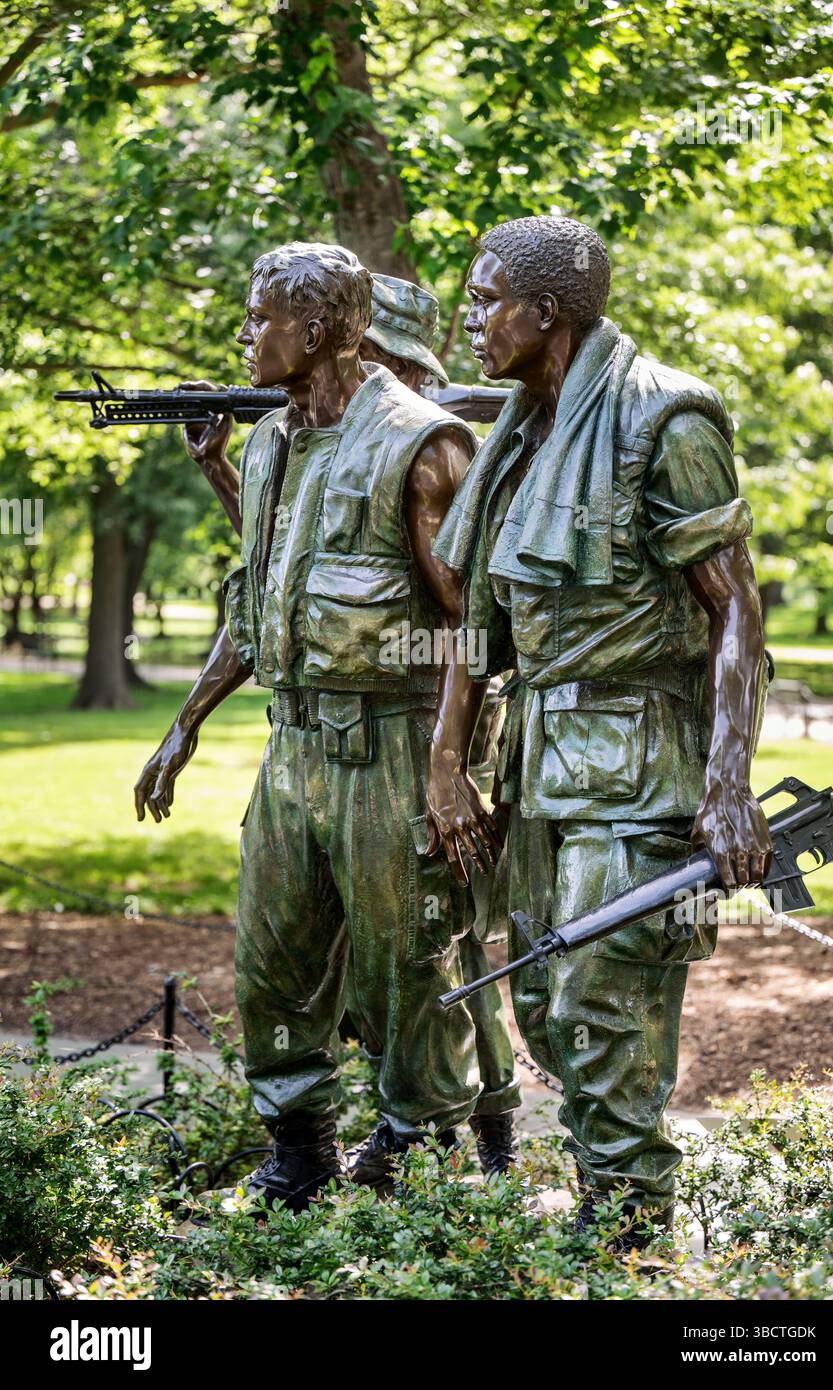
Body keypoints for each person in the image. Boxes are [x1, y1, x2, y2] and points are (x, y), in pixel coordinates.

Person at [425, 215, 772, 1246]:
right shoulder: (515, 436)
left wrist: (726, 782)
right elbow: (477, 623)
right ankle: (602, 1209)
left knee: (601, 998)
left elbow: (734, 612)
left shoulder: (659, 420)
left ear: (547, 311)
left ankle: (625, 1233)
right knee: (538, 992)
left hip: (634, 759)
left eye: (486, 301)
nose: (469, 320)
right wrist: (446, 761)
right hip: (537, 762)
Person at [134, 242, 497, 1208]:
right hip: (292, 747)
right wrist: (184, 728)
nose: (245, 335)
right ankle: (298, 1157)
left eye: (260, 318)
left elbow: (473, 624)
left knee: (406, 971)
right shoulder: (269, 445)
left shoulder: (424, 443)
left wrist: (449, 764)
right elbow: (267, 594)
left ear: (323, 328)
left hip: (392, 745)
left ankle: (418, 1157)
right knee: (271, 965)